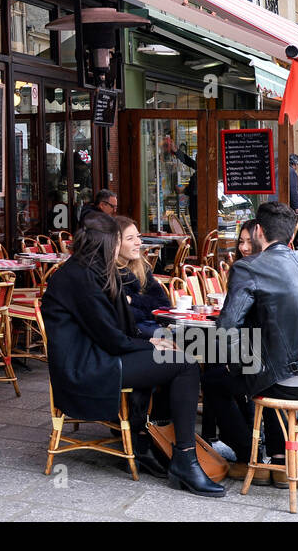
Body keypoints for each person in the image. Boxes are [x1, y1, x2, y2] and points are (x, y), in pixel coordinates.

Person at [42, 212, 224, 496]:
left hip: (97, 357)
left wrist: (152, 340)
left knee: (181, 358)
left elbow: (118, 331)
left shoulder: (87, 271)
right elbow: (113, 338)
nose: (118, 248)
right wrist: (152, 344)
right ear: (105, 244)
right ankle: (184, 460)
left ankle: (154, 443)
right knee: (184, 364)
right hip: (86, 369)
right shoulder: (81, 278)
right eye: (117, 241)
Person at [217, 202, 298, 477]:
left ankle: (249, 457)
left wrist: (232, 362)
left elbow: (226, 329)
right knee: (262, 367)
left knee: (217, 380)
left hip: (286, 382)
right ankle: (279, 457)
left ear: (257, 231)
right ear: (291, 236)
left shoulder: (248, 267)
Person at [113, 216, 171, 335]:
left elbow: (163, 305)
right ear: (114, 243)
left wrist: (132, 299)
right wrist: (147, 308)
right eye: (130, 238)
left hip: (149, 327)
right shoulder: (109, 273)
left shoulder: (141, 267)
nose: (138, 242)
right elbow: (126, 315)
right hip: (131, 335)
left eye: (138, 237)